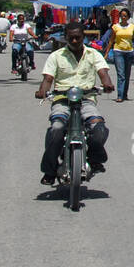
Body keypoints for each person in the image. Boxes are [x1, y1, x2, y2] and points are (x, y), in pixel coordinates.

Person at [35, 21, 115, 184]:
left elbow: (103, 72)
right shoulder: (56, 56)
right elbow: (48, 78)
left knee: (99, 128)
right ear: (65, 38)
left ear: (83, 37)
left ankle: (94, 159)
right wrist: (43, 90)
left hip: (86, 99)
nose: (74, 41)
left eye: (78, 38)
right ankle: (50, 170)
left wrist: (107, 83)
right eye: (70, 38)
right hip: (62, 99)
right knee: (56, 129)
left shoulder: (94, 54)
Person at [103, 8, 134, 102]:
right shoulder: (115, 27)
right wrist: (106, 54)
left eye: (125, 16)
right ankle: (120, 95)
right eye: (122, 15)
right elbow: (111, 41)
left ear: (128, 17)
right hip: (118, 51)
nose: (123, 17)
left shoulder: (132, 27)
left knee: (127, 75)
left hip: (129, 52)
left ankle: (125, 94)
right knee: (121, 74)